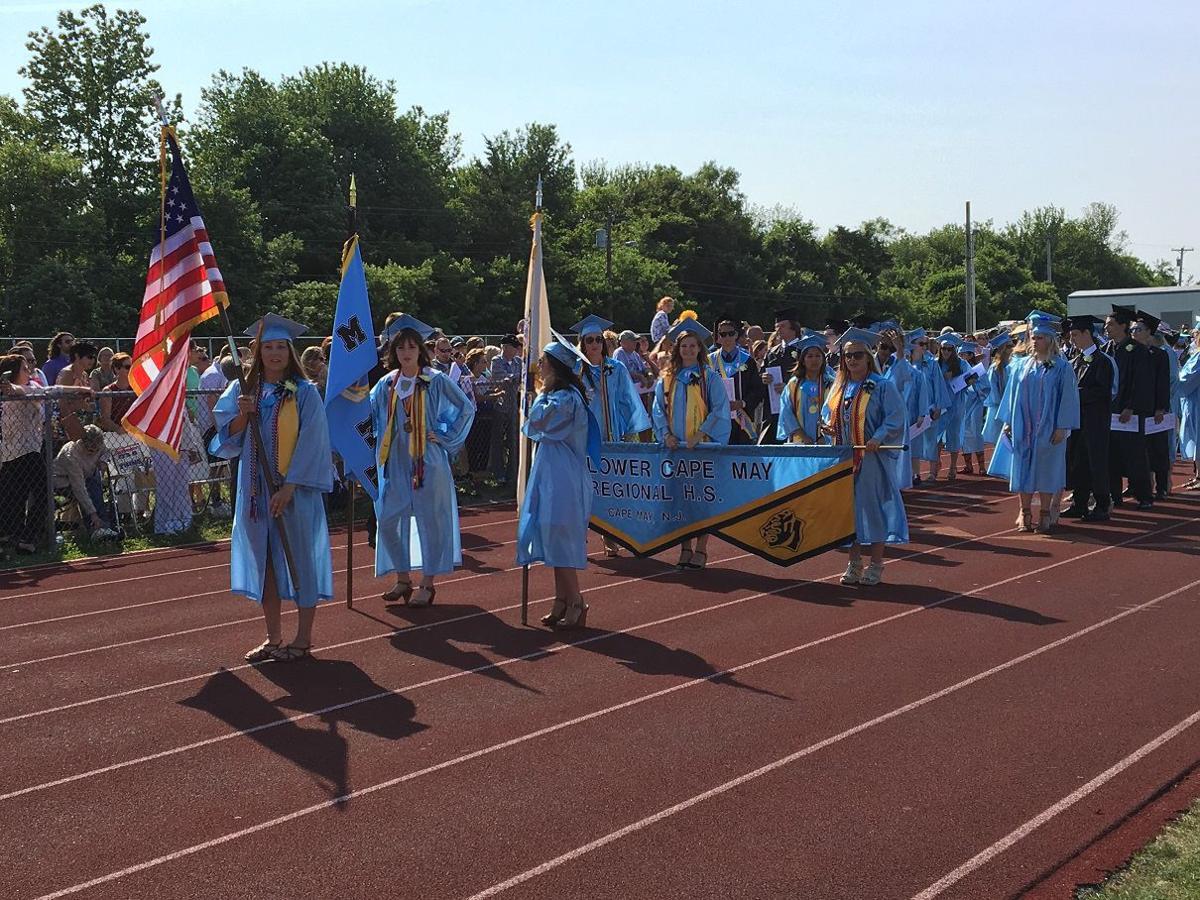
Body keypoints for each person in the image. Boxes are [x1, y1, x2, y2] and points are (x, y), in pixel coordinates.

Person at [213, 314, 334, 663]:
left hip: (295, 491)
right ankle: (273, 637)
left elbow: (313, 442)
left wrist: (289, 487)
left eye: (281, 346)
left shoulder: (304, 392)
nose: (275, 353)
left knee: (301, 562)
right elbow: (226, 438)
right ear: (258, 351)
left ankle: (303, 638)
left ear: (290, 351)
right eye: (268, 347)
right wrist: (243, 413)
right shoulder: (243, 389)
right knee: (264, 563)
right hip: (255, 491)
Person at [370, 314, 475, 607]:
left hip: (427, 461)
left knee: (432, 521)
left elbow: (465, 408)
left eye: (411, 347)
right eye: (400, 347)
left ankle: (427, 583)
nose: (406, 353)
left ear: (420, 350)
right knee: (388, 519)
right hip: (395, 461)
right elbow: (369, 415)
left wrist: (444, 435)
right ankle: (403, 578)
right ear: (394, 351)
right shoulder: (386, 383)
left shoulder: (435, 380)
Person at [517, 340, 600, 630]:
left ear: (555, 366)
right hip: (551, 472)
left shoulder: (565, 398)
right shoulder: (556, 395)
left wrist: (534, 396)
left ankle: (576, 600)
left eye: (543, 361)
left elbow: (538, 424)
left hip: (563, 476)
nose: (539, 366)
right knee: (551, 534)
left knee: (560, 536)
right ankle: (561, 599)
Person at [823, 328, 907, 586]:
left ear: (868, 357)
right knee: (849, 512)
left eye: (858, 355)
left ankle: (876, 563)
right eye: (848, 355)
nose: (852, 360)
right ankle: (854, 562)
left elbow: (895, 416)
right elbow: (829, 414)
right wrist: (828, 428)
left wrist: (878, 437)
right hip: (845, 457)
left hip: (871, 457)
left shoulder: (881, 385)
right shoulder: (839, 387)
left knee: (873, 509)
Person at [652, 319, 730, 569]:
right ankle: (685, 547)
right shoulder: (667, 378)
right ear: (678, 349)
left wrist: (701, 434)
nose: (688, 350)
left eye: (693, 346)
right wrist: (666, 435)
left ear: (699, 349)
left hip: (701, 448)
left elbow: (719, 409)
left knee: (701, 499)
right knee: (681, 499)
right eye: (684, 346)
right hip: (676, 449)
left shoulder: (709, 377)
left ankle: (701, 549)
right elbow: (658, 410)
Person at [574, 315, 651, 557]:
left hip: (612, 433)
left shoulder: (615, 368)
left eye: (598, 339)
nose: (595, 344)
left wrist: (632, 431)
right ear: (582, 343)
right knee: (584, 487)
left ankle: (610, 535)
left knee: (609, 487)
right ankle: (580, 535)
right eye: (589, 340)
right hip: (585, 436)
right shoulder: (576, 369)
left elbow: (629, 399)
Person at [0, 354, 92, 552]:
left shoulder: (31, 387)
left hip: (28, 451)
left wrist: (79, 389)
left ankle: (25, 538)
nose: (30, 370)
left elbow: (51, 390)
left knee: (36, 495)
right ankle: (20, 537)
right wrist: (10, 388)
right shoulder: (8, 393)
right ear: (13, 373)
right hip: (15, 454)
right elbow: (18, 390)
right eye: (24, 368)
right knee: (23, 497)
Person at [998, 317, 1080, 533]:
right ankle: (1024, 512)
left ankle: (1045, 513)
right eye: (1033, 337)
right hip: (1023, 426)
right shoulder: (1021, 366)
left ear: (1050, 340)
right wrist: (1008, 422)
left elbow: (1068, 398)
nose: (1035, 341)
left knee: (1047, 469)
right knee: (1022, 468)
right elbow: (1011, 395)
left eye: (1040, 337)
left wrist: (1062, 426)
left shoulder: (1061, 367)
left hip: (1049, 427)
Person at [1061, 315, 1116, 521]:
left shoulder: (1103, 361)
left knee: (1096, 463)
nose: (1072, 339)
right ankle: (1080, 502)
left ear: (1087, 333)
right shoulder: (1074, 361)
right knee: (1078, 462)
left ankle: (1102, 504)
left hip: (1095, 421)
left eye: (1075, 334)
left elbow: (1102, 391)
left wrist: (1075, 394)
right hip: (1078, 420)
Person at [1103, 306, 1155, 509]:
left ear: (1123, 326)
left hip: (1129, 413)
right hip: (1109, 412)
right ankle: (1114, 496)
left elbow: (1141, 382)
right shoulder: (1106, 349)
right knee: (1111, 456)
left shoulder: (1138, 351)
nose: (1107, 328)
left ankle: (1144, 496)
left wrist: (1131, 407)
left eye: (1110, 325)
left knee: (1135, 455)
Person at [1132, 312, 1173, 498]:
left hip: (1154, 409)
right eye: (1133, 329)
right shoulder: (1131, 352)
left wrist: (1160, 408)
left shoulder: (1159, 355)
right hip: (1135, 409)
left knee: (1158, 449)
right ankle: (1138, 485)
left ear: (1149, 332)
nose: (1134, 333)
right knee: (1138, 450)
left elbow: (1163, 383)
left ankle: (1162, 486)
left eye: (1138, 329)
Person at [52, 424, 117, 540]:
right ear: (82, 443)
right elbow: (79, 488)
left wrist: (103, 461)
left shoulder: (100, 444)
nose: (93, 452)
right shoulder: (72, 455)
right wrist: (93, 514)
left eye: (97, 450)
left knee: (94, 483)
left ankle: (105, 527)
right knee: (91, 490)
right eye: (90, 450)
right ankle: (95, 528)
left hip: (87, 477)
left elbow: (107, 451)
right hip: (63, 481)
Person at [709, 317, 766, 445]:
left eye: (731, 333)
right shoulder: (710, 361)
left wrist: (743, 403)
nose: (727, 337)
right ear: (718, 337)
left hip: (742, 420)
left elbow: (757, 390)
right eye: (723, 334)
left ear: (736, 335)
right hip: (717, 418)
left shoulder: (747, 360)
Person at [778, 333, 833, 444]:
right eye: (810, 356)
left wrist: (825, 437)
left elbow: (836, 411)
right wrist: (803, 436)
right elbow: (786, 412)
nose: (814, 360)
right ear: (803, 360)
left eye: (818, 356)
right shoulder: (794, 384)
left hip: (827, 441)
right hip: (800, 441)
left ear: (823, 359)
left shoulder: (831, 383)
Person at [758, 308, 803, 445]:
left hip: (796, 410)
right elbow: (760, 375)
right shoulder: (772, 352)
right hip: (773, 410)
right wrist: (763, 378)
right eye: (776, 326)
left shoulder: (803, 350)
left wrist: (788, 388)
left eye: (782, 326)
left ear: (793, 328)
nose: (778, 330)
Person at [957, 338, 990, 474]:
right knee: (964, 435)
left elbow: (986, 388)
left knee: (976, 434)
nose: (961, 357)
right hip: (962, 405)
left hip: (975, 405)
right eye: (959, 354)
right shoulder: (959, 369)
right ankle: (968, 465)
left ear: (970, 355)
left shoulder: (979, 370)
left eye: (963, 354)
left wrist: (974, 385)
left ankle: (981, 467)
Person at [55, 341, 98, 442]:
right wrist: (73, 427)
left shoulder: (84, 375)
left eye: (94, 357)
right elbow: (62, 403)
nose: (92, 360)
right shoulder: (68, 373)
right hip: (67, 423)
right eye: (89, 357)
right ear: (77, 356)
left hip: (81, 420)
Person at [1178, 328, 1200, 489]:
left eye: (1196, 334)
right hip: (1193, 401)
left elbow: (1186, 379)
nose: (1193, 337)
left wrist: (1174, 378)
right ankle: (1198, 475)